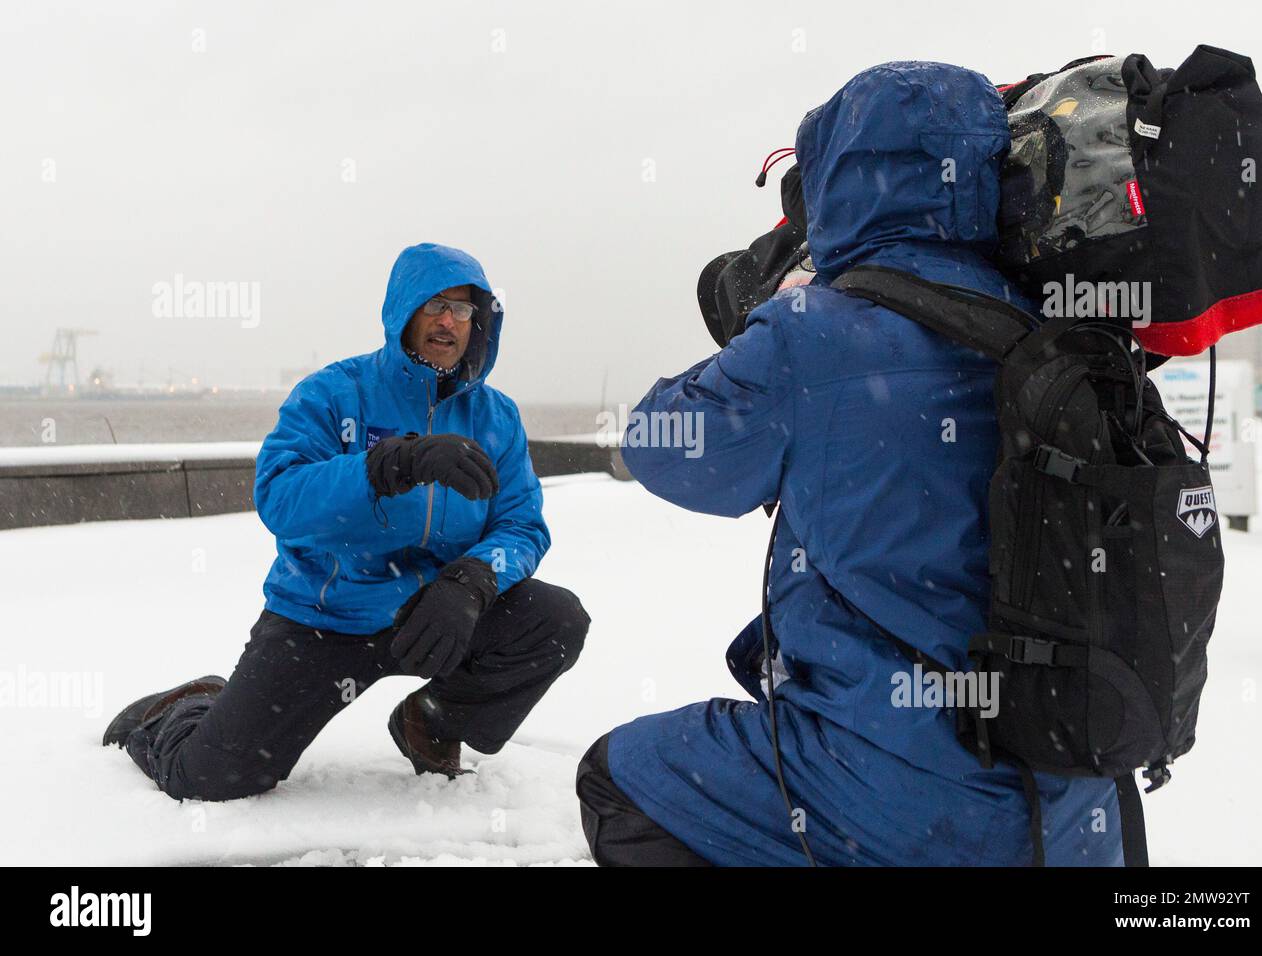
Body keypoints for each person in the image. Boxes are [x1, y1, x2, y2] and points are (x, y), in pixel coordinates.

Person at [576, 62, 1123, 866]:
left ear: (842, 177)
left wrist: (769, 317)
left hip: (900, 796)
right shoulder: (1060, 327)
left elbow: (660, 447)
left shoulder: (814, 331)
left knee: (617, 778)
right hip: (1075, 798)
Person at [104, 242, 589, 800]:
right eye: (435, 305)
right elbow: (279, 498)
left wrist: (473, 580)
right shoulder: (335, 393)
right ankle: (180, 709)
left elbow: (522, 524)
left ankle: (431, 722)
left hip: (432, 614)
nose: (448, 322)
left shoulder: (496, 416)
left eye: (462, 310)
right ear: (402, 310)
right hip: (325, 617)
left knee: (554, 620)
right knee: (214, 778)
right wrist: (387, 466)